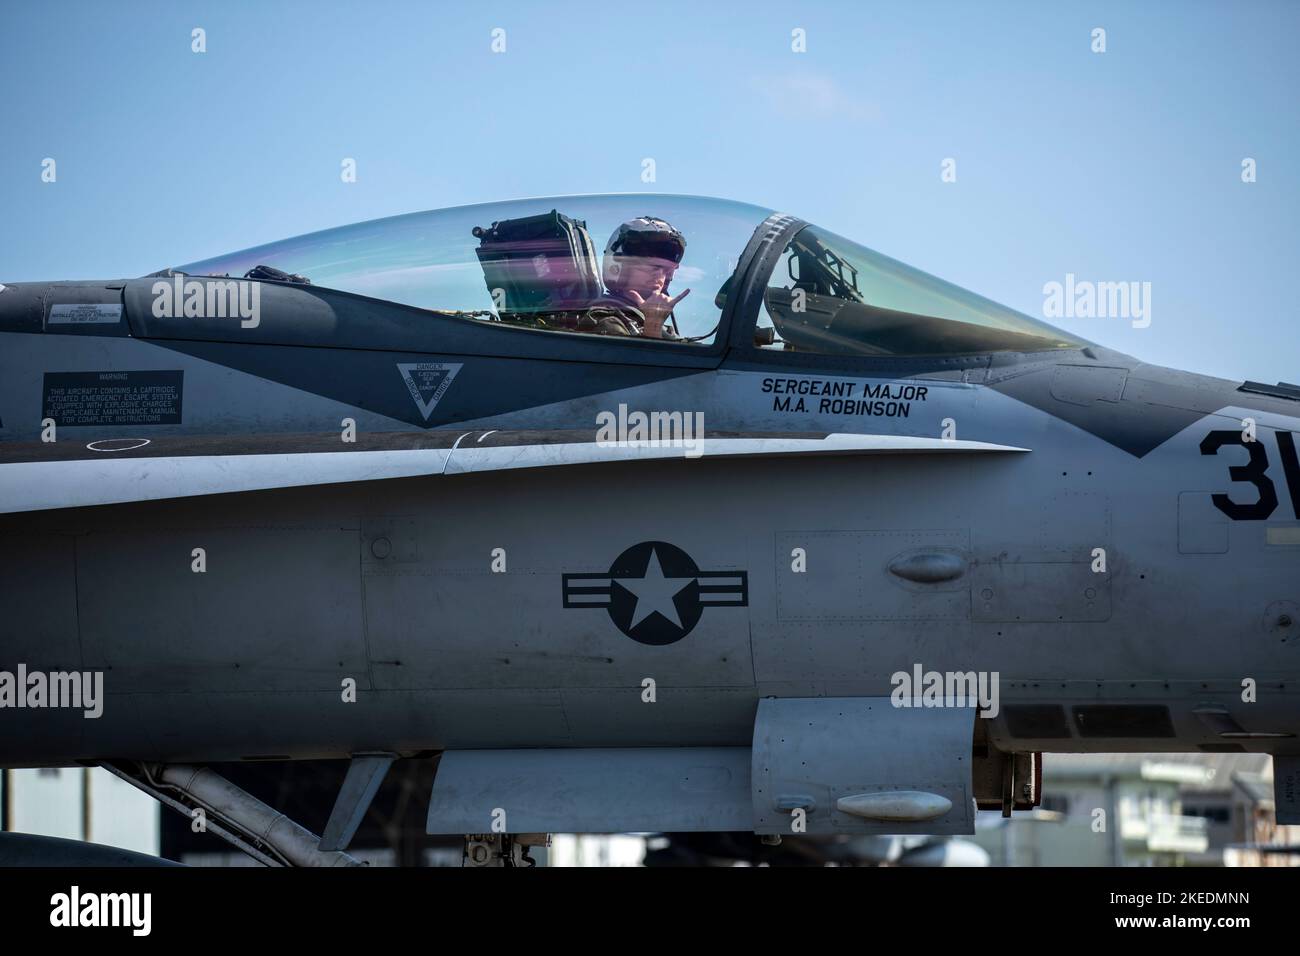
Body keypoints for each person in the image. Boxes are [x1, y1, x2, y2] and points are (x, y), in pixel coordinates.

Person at [597, 217, 691, 339]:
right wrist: (652, 329)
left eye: (666, 271)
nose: (660, 277)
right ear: (618, 267)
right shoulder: (604, 320)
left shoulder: (648, 322)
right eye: (651, 268)